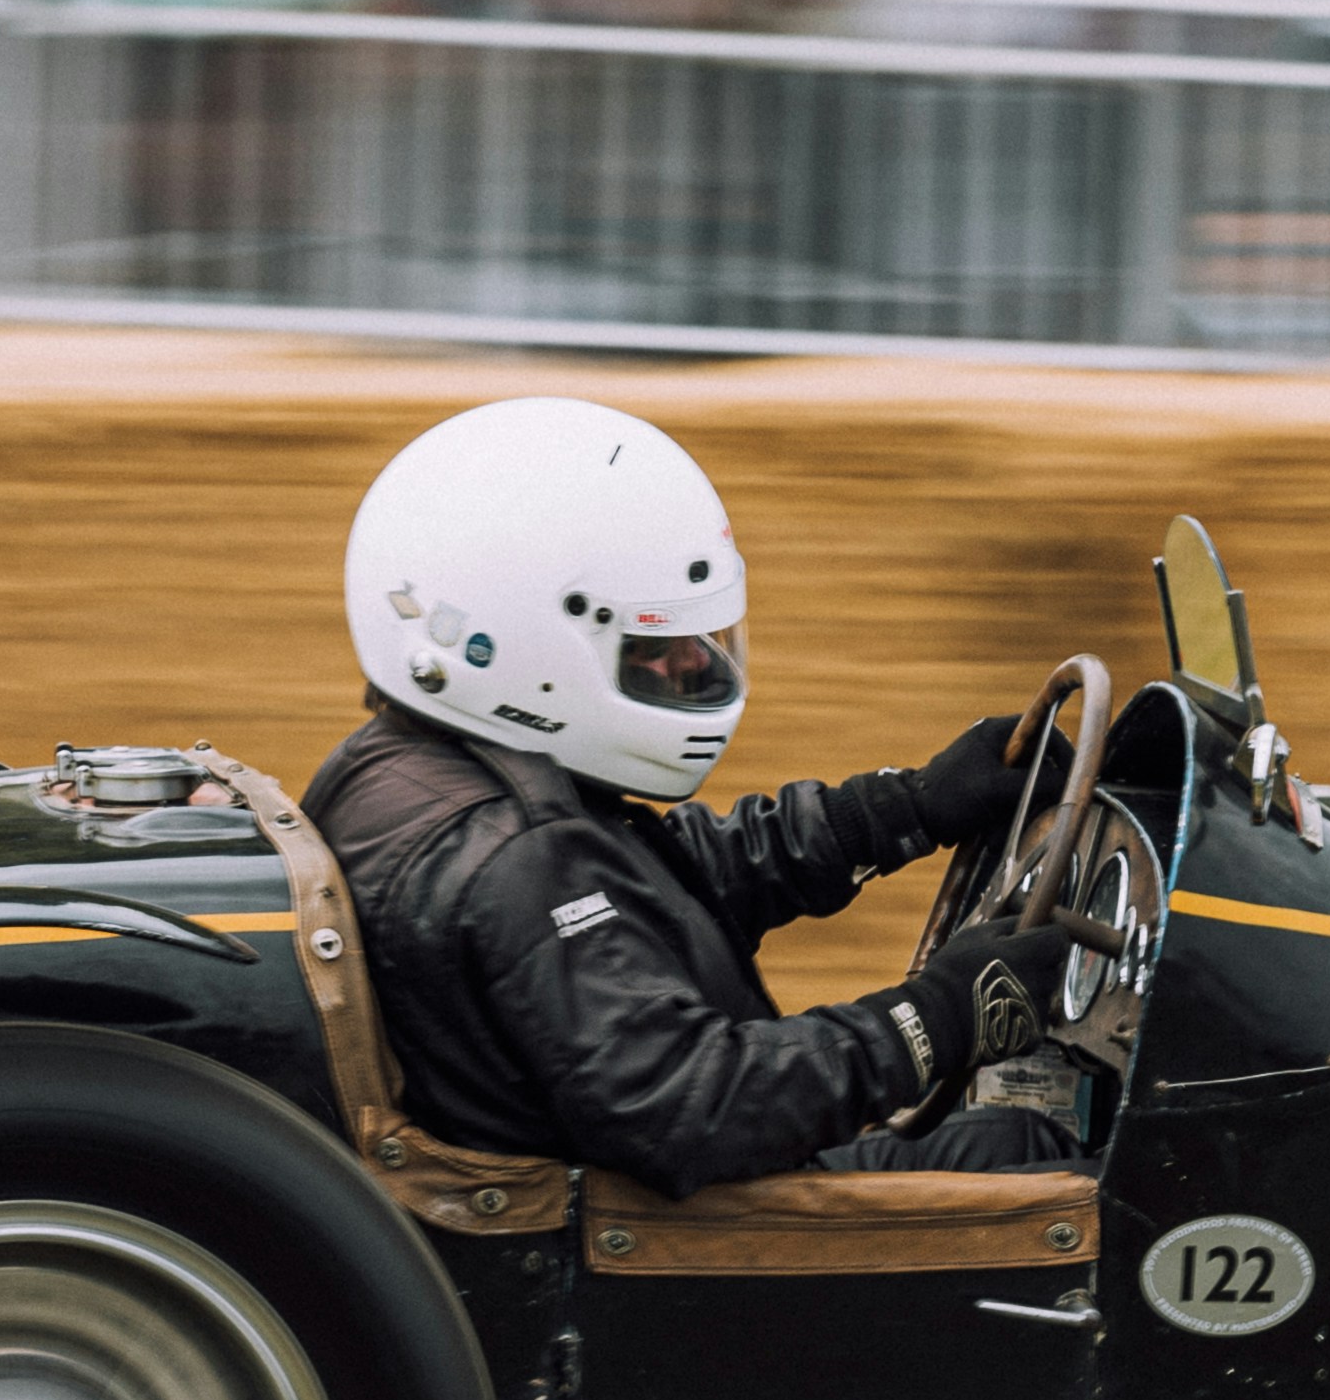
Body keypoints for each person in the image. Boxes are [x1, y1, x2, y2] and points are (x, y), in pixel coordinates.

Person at [301, 397, 1086, 1192]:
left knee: (1006, 1137)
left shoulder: (413, 765)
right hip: (662, 1239)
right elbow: (694, 1105)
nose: (692, 665)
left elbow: (656, 889)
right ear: (523, 646)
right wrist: (933, 1018)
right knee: (1041, 1159)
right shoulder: (515, 858)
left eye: (697, 638)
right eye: (653, 644)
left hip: (626, 1186)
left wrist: (898, 810)